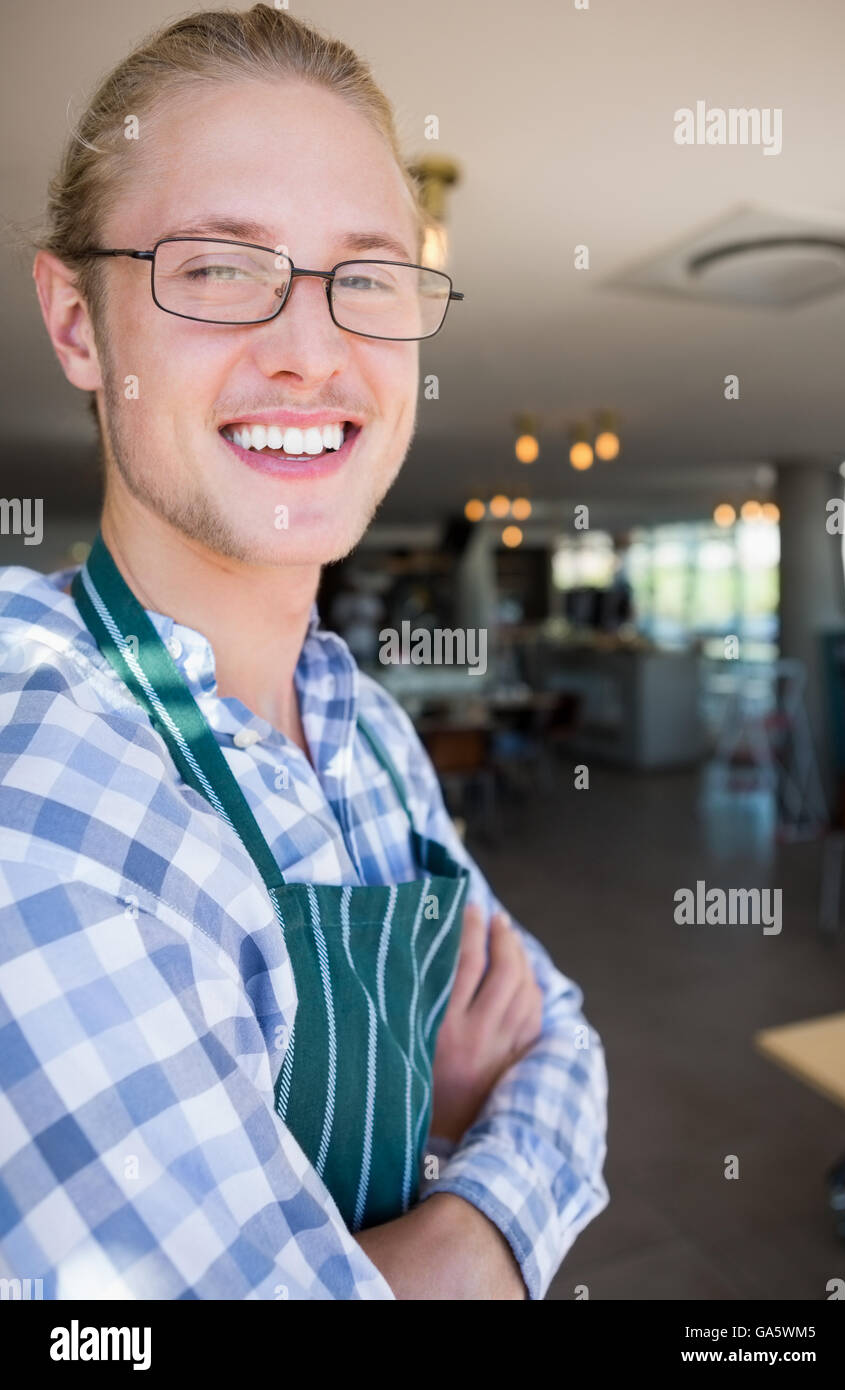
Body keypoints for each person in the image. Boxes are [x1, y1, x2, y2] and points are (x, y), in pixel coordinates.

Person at [0, 5, 608, 1300]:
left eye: (366, 277)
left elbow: (564, 1046)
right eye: (218, 267)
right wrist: (478, 1205)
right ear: (76, 323)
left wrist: (427, 1217)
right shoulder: (34, 780)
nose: (312, 350)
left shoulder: (368, 733)